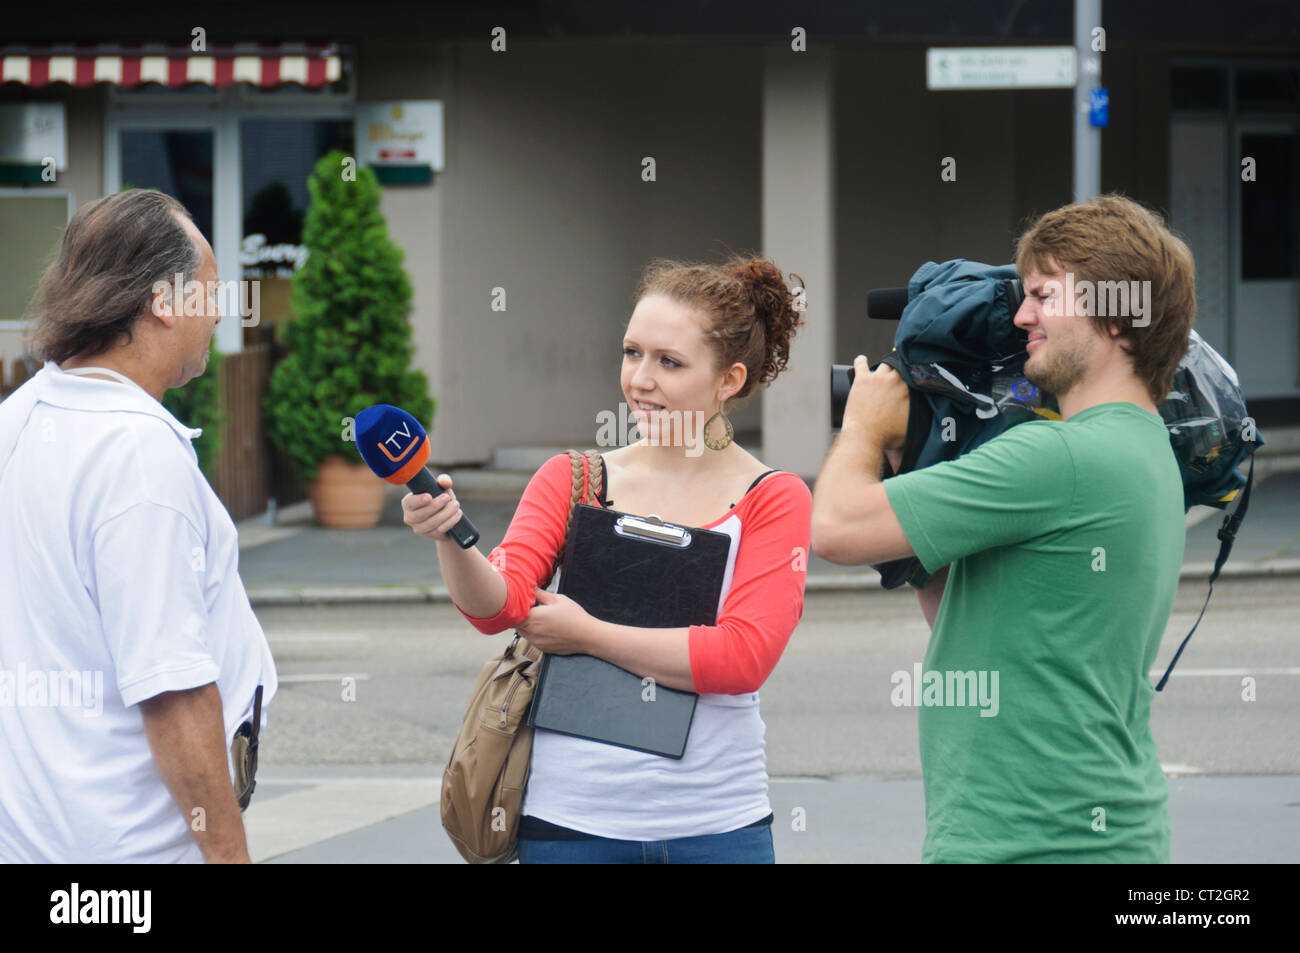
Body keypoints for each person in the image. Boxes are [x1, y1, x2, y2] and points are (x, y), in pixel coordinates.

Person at [811, 194, 1195, 863]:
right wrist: (913, 462)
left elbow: (837, 527)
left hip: (1036, 844)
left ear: (1118, 319)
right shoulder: (1140, 449)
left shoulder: (1061, 458)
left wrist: (867, 424)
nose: (1022, 317)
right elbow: (965, 620)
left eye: (1043, 295)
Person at [403, 256, 810, 863]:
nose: (640, 379)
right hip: (571, 821)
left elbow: (742, 658)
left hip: (718, 824)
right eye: (632, 352)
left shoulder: (773, 496)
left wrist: (588, 634)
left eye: (669, 362)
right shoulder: (572, 477)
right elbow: (501, 608)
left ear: (728, 380)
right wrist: (450, 538)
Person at [0, 190, 277, 863]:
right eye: (208, 291)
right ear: (162, 301)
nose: (216, 311)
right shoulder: (138, 456)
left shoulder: (19, 418)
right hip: (131, 858)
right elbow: (173, 689)